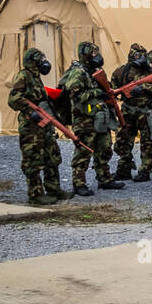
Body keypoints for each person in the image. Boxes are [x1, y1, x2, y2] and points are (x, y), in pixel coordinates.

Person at [57, 41, 124, 196]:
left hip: (99, 116)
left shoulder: (94, 71)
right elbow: (76, 95)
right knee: (84, 151)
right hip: (84, 119)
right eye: (94, 53)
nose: (97, 56)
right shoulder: (78, 72)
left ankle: (104, 178)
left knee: (105, 147)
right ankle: (78, 183)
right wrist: (96, 93)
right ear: (86, 55)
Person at [7, 47, 68, 204]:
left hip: (44, 124)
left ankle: (54, 189)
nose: (44, 63)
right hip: (31, 126)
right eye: (40, 60)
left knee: (52, 156)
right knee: (33, 159)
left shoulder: (35, 77)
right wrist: (29, 111)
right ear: (32, 62)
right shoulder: (23, 76)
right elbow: (13, 99)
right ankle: (35, 194)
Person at [109, 43, 152, 182]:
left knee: (148, 143)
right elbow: (113, 89)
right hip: (128, 110)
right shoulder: (121, 71)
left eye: (143, 55)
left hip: (146, 110)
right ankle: (124, 168)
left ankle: (145, 170)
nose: (141, 58)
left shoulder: (151, 71)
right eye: (138, 55)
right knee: (122, 141)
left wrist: (144, 87)